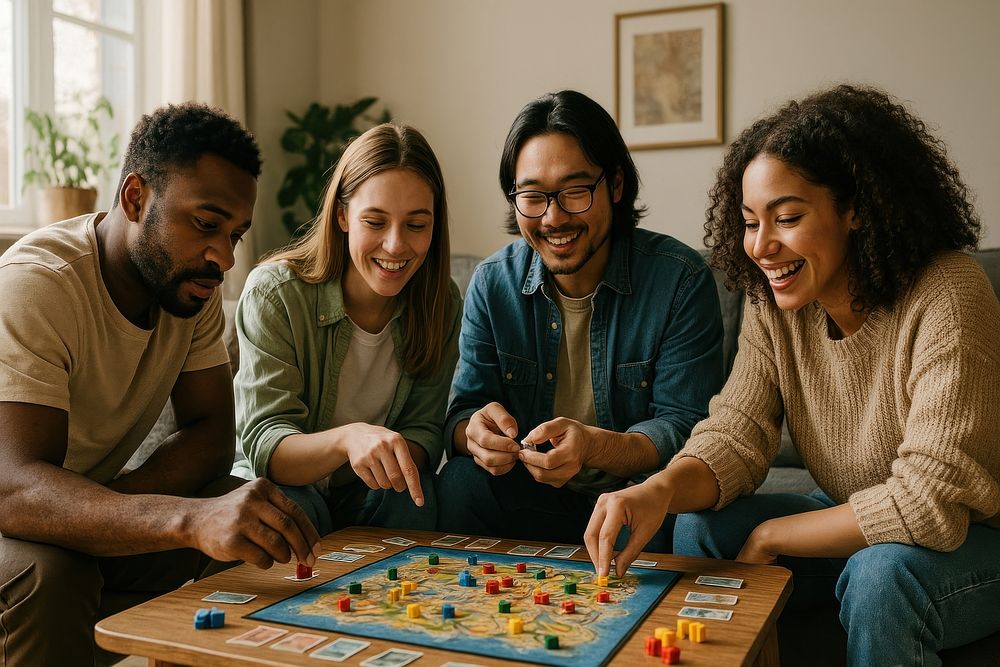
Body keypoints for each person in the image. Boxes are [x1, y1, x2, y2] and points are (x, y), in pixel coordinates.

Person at [585, 84, 1000, 665]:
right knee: (700, 528)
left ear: (856, 208)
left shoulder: (949, 292)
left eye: (787, 218)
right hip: (856, 524)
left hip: (974, 539)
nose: (761, 246)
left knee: (880, 577)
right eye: (750, 222)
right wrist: (656, 490)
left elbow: (929, 502)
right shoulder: (774, 303)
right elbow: (735, 434)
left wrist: (772, 536)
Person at [0, 103, 321, 665]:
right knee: (54, 574)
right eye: (205, 223)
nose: (222, 255)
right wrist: (181, 519)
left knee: (250, 534)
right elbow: (15, 488)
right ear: (134, 198)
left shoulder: (189, 290)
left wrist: (108, 516)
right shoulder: (39, 287)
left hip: (75, 503)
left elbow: (211, 437)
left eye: (235, 234)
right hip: (12, 518)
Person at [437, 90, 724, 544]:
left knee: (697, 517)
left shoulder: (679, 280)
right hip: (533, 499)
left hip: (639, 505)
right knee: (459, 481)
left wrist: (593, 445)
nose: (553, 218)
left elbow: (685, 426)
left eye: (574, 192)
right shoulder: (492, 284)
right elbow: (461, 411)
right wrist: (472, 433)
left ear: (614, 185)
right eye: (532, 196)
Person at [234, 123, 461, 537]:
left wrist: (388, 459)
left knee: (414, 497)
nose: (395, 246)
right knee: (290, 510)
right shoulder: (275, 294)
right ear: (342, 215)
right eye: (375, 222)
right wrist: (349, 440)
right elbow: (267, 444)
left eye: (416, 225)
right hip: (286, 481)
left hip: (370, 490)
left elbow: (424, 431)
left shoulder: (440, 304)